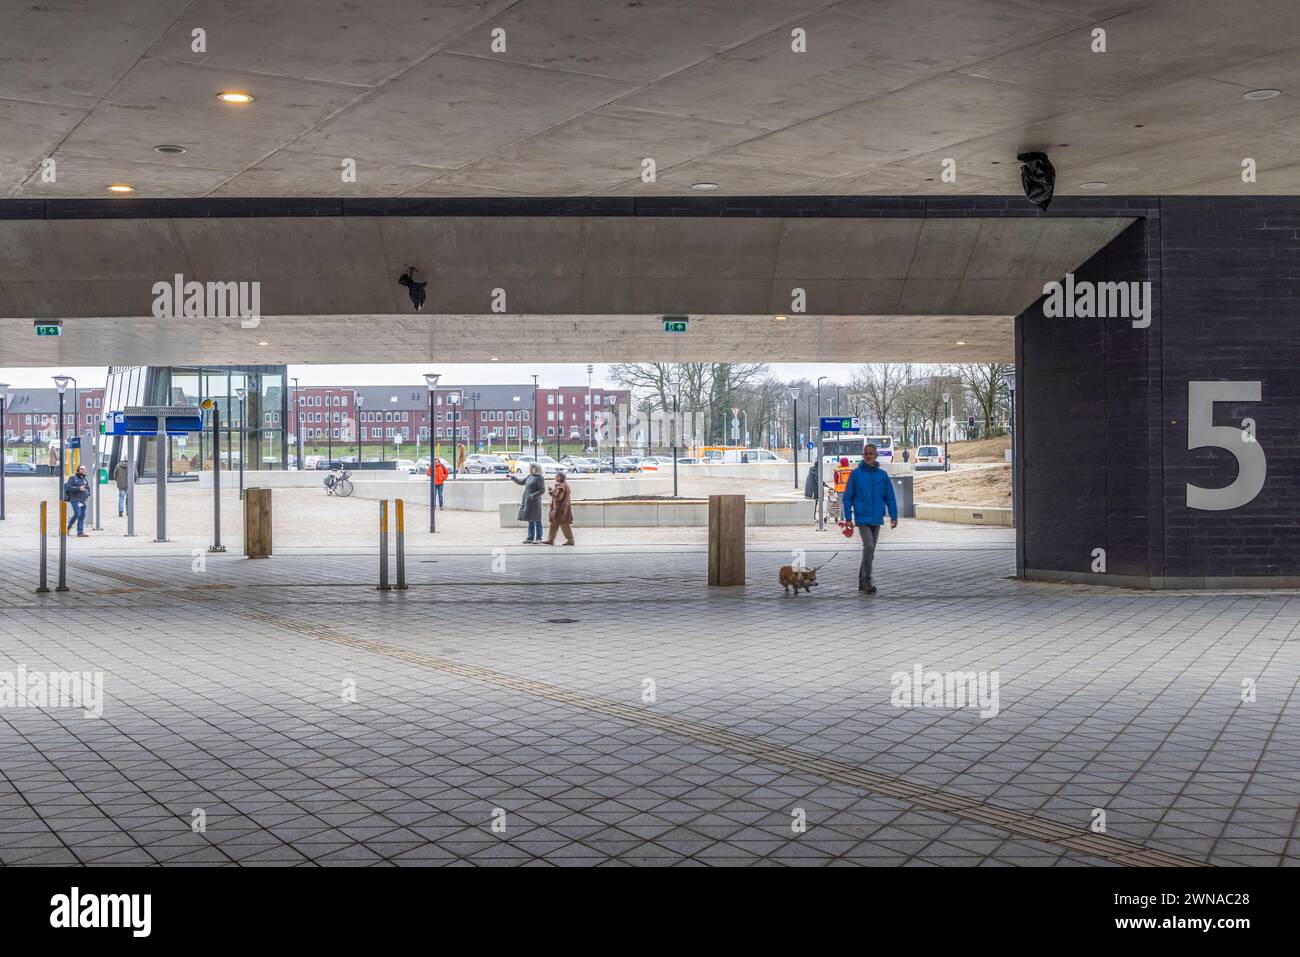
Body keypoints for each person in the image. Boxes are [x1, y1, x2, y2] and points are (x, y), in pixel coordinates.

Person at [841, 444, 898, 594]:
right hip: (862, 517)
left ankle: (862, 579)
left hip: (877, 517)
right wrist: (848, 518)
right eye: (866, 453)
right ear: (863, 455)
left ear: (876, 455)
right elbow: (847, 498)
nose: (868, 456)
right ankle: (866, 580)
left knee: (870, 551)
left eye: (871, 453)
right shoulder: (856, 474)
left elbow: (890, 497)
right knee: (869, 546)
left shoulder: (882, 475)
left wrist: (894, 516)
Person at [510, 462, 545, 543]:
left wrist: (532, 496)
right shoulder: (530, 476)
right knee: (530, 520)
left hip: (535, 502)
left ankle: (539, 538)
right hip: (527, 501)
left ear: (535, 468)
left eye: (530, 467)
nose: (529, 469)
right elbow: (521, 482)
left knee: (537, 520)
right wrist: (513, 477)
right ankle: (530, 538)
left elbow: (542, 490)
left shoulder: (540, 478)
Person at [543, 471, 575, 545]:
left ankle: (570, 540)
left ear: (560, 477)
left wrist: (551, 492)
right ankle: (551, 540)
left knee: (564, 525)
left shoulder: (561, 486)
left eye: (556, 476)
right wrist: (552, 490)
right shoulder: (562, 485)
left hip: (561, 510)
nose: (555, 477)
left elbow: (559, 497)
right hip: (559, 509)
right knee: (553, 524)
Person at [64, 464, 91, 537]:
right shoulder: (72, 478)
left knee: (82, 516)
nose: (84, 470)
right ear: (78, 470)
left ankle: (80, 532)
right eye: (82, 469)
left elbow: (88, 488)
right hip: (75, 500)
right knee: (77, 514)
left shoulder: (85, 479)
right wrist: (79, 488)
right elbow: (68, 487)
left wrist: (88, 493)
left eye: (85, 469)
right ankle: (68, 527)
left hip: (83, 501)